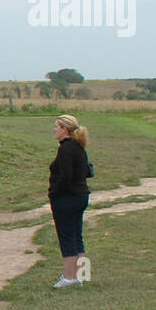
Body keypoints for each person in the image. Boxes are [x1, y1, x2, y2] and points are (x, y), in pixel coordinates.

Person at [48, 114, 90, 288]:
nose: (54, 129)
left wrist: (53, 193)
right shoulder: (79, 147)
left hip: (67, 198)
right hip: (81, 196)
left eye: (56, 126)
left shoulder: (65, 149)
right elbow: (87, 171)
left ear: (64, 129)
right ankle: (82, 276)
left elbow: (66, 176)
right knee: (77, 236)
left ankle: (68, 278)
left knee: (67, 238)